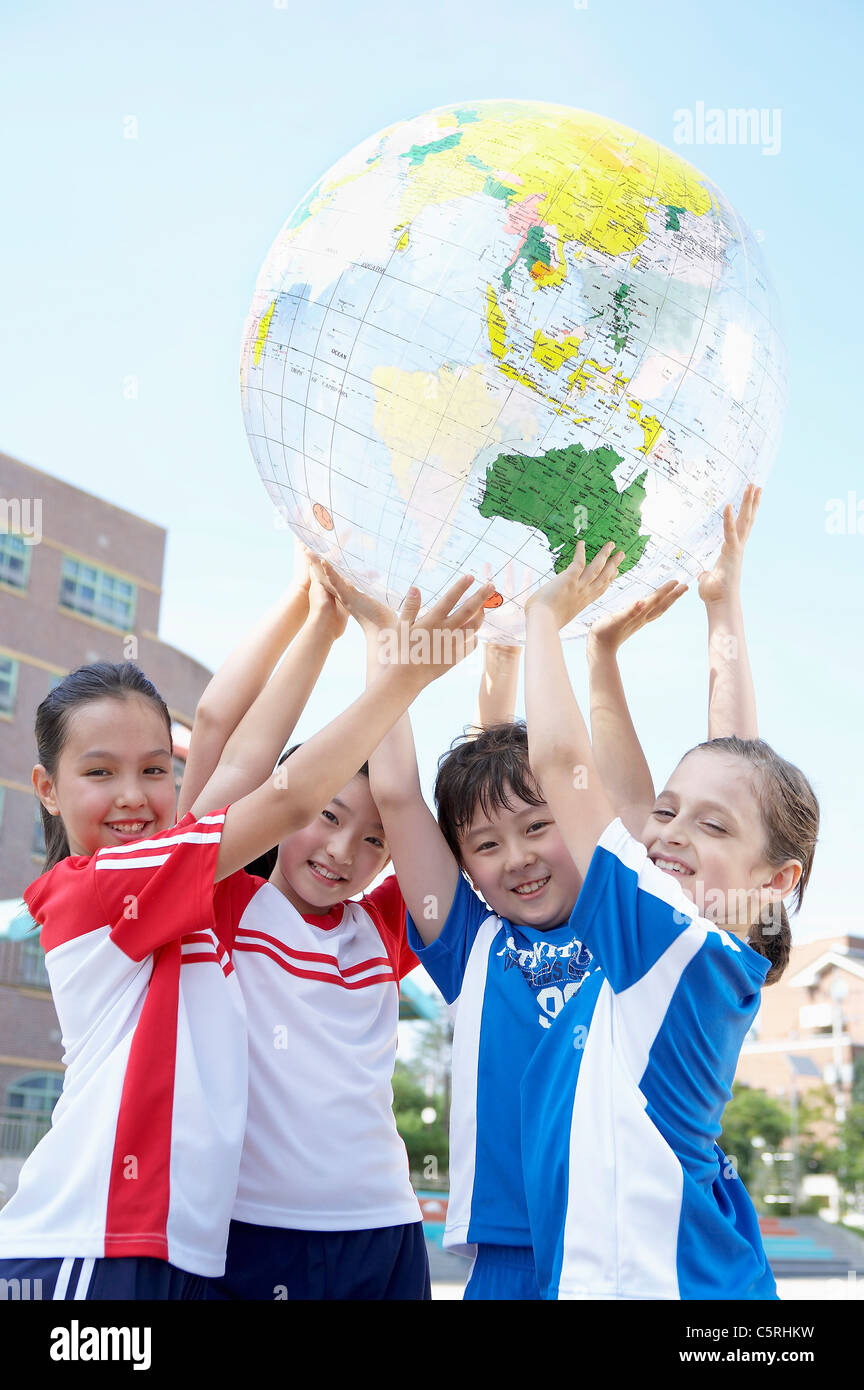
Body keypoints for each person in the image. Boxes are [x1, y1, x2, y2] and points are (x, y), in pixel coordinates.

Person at [0, 574, 488, 1300]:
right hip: (95, 1237)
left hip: (187, 1246)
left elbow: (241, 756)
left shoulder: (184, 884)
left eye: (156, 770)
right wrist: (399, 673)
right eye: (100, 772)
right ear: (47, 787)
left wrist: (318, 608)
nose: (135, 795)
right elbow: (266, 775)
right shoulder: (114, 884)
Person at [520, 517, 819, 1300]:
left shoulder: (677, 950)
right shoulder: (699, 943)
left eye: (710, 826)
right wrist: (709, 613)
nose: (671, 833)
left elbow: (562, 765)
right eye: (666, 812)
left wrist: (544, 620)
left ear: (776, 880)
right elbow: (729, 778)